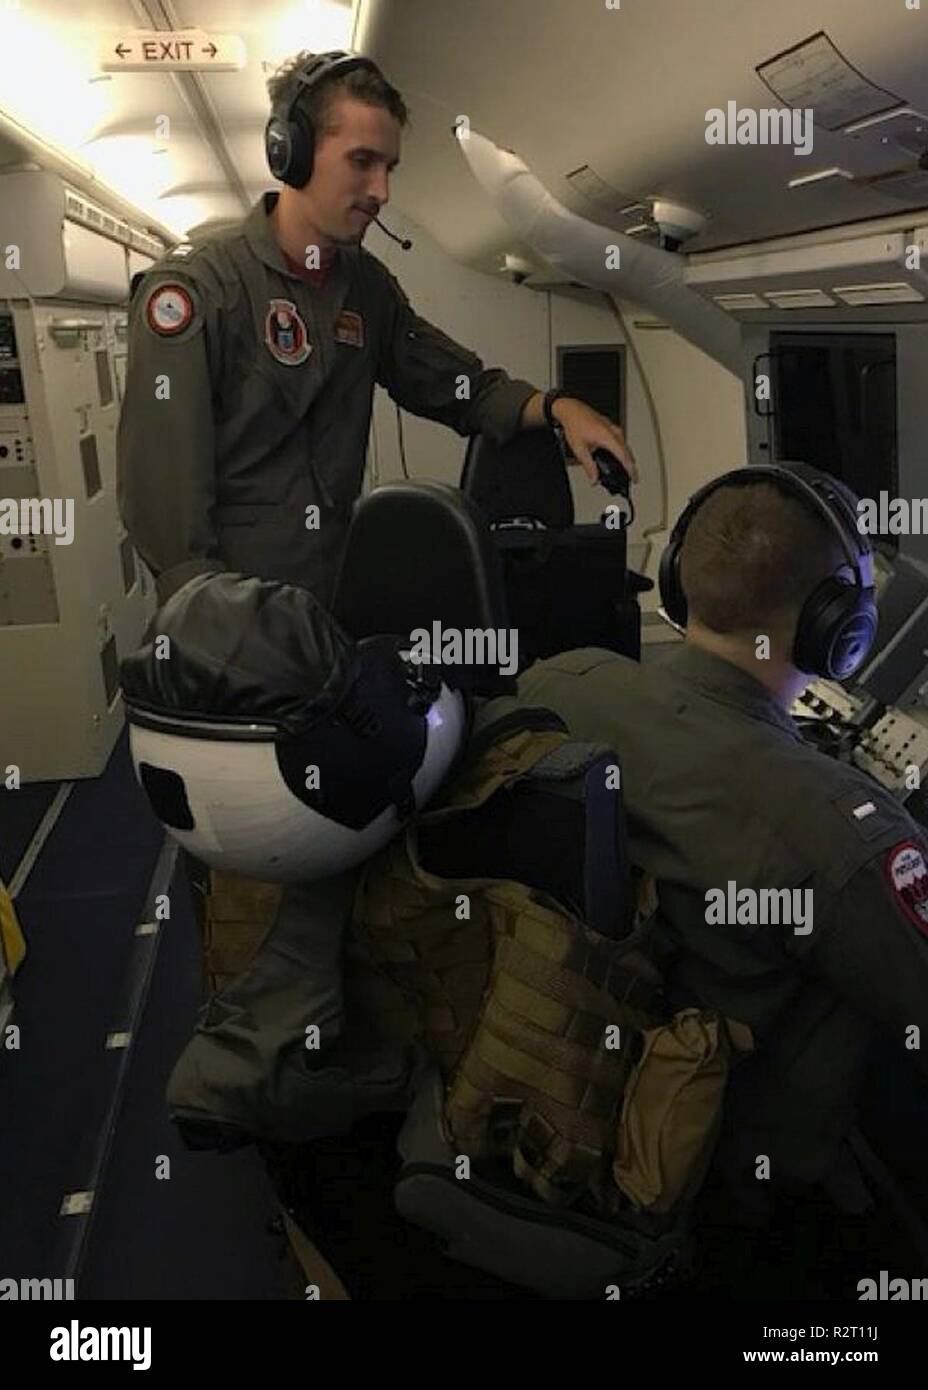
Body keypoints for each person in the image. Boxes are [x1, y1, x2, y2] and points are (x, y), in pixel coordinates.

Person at [517, 464, 928, 1295]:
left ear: (678, 580)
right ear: (837, 630)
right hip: (743, 1191)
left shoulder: (561, 683)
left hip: (571, 1096)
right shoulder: (834, 827)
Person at [116, 48, 635, 611]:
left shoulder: (366, 289)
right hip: (232, 632)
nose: (382, 191)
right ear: (290, 152)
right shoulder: (198, 290)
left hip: (331, 608)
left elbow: (457, 387)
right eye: (362, 161)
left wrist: (559, 407)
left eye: (389, 168)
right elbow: (165, 511)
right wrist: (224, 636)